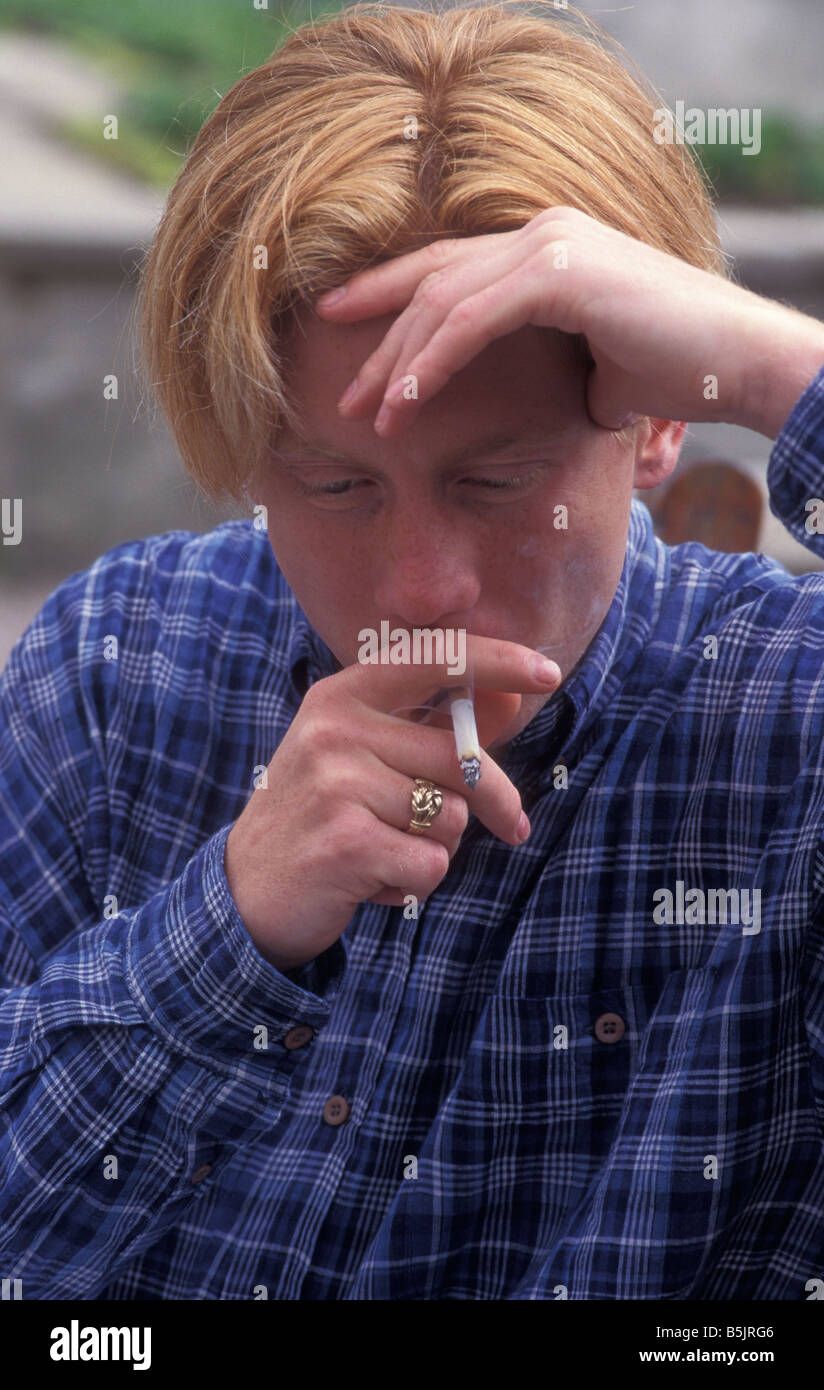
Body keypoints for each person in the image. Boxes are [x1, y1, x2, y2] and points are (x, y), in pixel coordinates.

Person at [2, 0, 824, 1301]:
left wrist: (774, 364)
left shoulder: (788, 725)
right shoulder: (116, 663)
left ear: (658, 423)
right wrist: (227, 931)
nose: (420, 587)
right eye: (336, 487)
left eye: (497, 481)